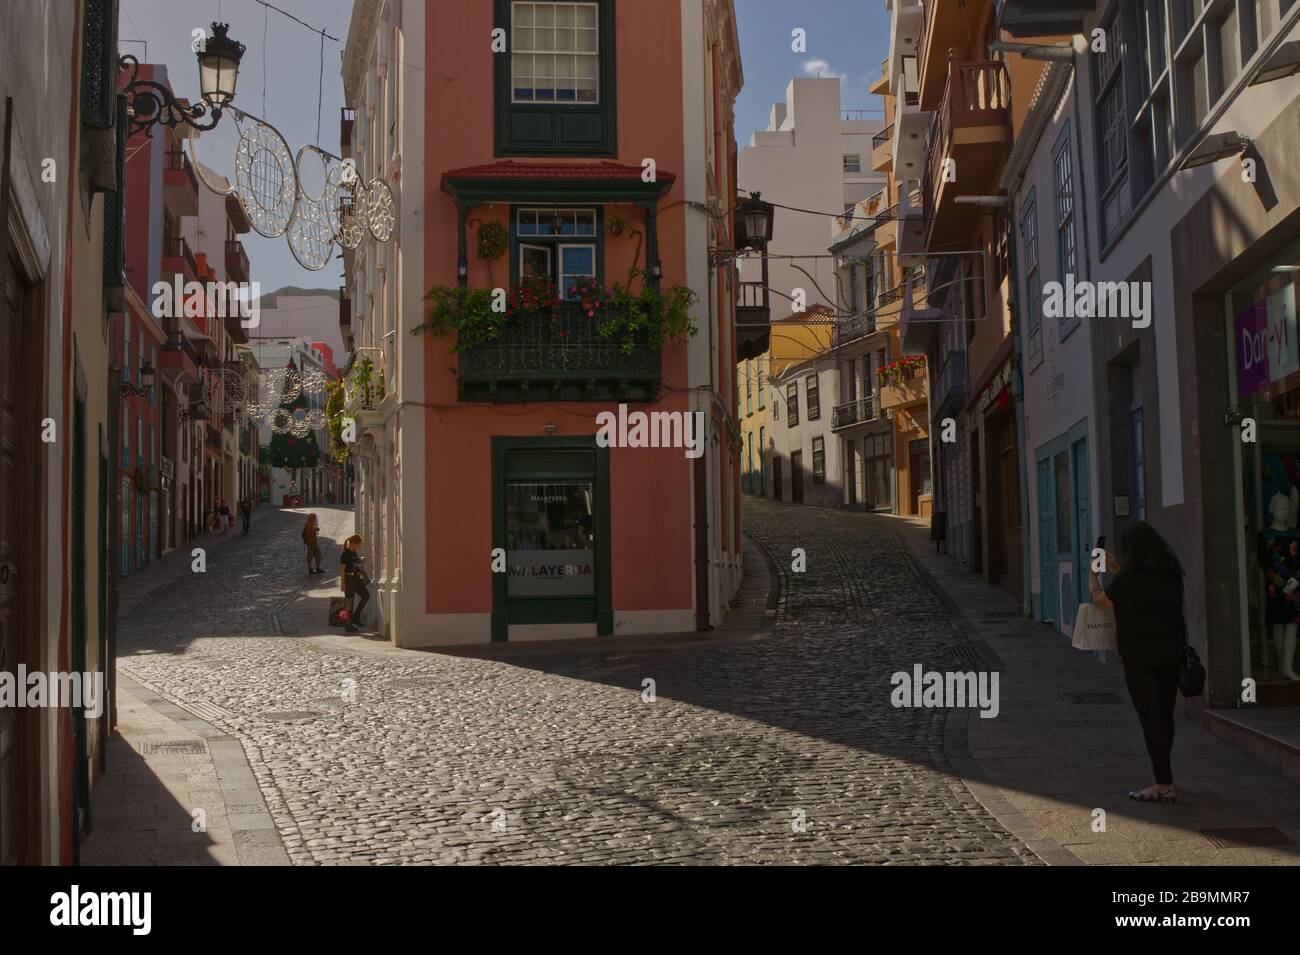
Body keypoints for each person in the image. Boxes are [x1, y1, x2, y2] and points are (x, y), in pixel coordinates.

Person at [1090, 521, 1187, 803]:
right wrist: (1117, 571)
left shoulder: (1131, 577)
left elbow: (1102, 602)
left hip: (1140, 655)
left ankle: (1163, 783)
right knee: (1164, 715)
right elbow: (1139, 589)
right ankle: (1165, 777)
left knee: (1150, 717)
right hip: (1171, 652)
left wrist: (1093, 577)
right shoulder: (1170, 569)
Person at [339, 534, 370, 632]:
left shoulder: (354, 553)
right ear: (353, 543)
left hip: (356, 579)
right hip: (348, 579)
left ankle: (356, 617)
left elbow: (355, 564)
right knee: (349, 602)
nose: (359, 546)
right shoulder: (345, 553)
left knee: (366, 596)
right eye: (359, 544)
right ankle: (348, 625)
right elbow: (342, 569)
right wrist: (343, 583)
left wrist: (360, 560)